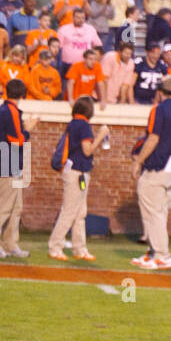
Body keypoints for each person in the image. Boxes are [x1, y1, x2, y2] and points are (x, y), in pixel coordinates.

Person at [48, 96, 109, 262]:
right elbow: (87, 150)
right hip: (77, 172)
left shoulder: (73, 123)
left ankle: (79, 248)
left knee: (80, 213)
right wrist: (101, 135)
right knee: (69, 212)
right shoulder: (83, 126)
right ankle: (55, 246)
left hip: (75, 171)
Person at [128, 76, 171, 270]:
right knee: (159, 212)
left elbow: (153, 139)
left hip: (156, 168)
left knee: (153, 213)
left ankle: (161, 255)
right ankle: (153, 252)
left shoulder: (158, 110)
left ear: (160, 91)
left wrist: (138, 162)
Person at [0, 78, 39, 259]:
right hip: (7, 164)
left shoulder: (2, 110)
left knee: (16, 207)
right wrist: (29, 129)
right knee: (2, 208)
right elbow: (18, 139)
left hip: (8, 163)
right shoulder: (10, 110)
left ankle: (10, 243)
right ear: (22, 94)